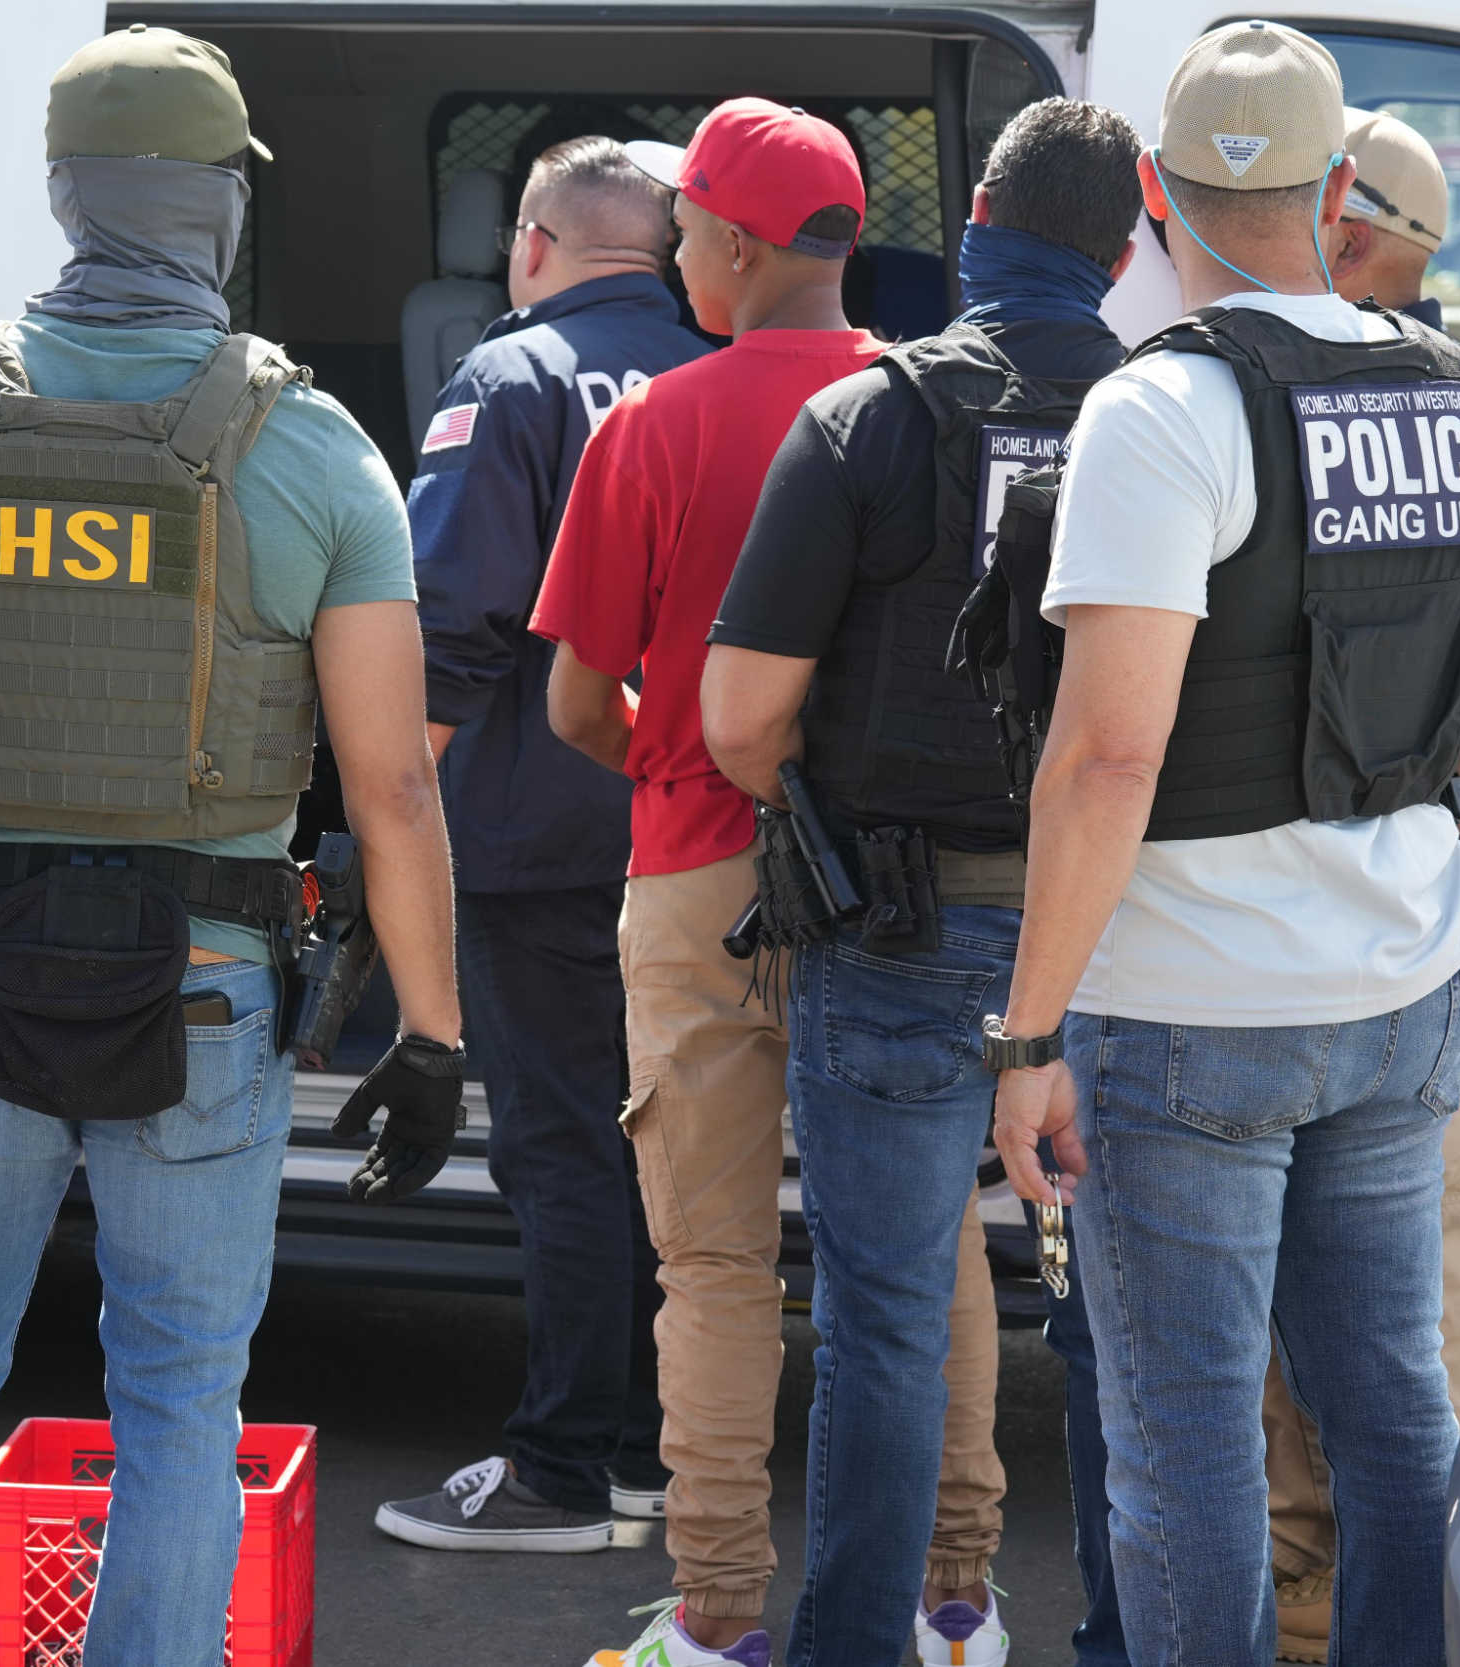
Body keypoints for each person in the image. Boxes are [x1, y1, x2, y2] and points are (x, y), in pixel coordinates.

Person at [0, 28, 465, 1665]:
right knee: (180, 1398)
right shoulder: (313, 450)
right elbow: (392, 788)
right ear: (221, 206)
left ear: (67, 197)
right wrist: (433, 1038)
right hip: (207, 988)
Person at [984, 21, 1460, 1667]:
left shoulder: (1162, 409)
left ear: (1155, 198)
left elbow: (1108, 755)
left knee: (1187, 1437)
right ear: (1340, 187)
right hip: (1400, 988)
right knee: (1393, 1410)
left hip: (1189, 1011)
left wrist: (1027, 1037)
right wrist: (1448, 917)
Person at [529, 98, 1005, 1667]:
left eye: (684, 231)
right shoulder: (924, 409)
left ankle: (721, 1615)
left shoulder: (652, 426)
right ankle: (955, 1602)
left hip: (699, 875)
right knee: (925, 1246)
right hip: (901, 891)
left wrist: (681, 760)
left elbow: (577, 705)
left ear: (733, 243)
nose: (677, 256)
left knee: (716, 1265)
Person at [699, 96, 1145, 1667]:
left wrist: (823, 813)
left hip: (895, 929)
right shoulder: (1177, 418)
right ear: (1124, 252)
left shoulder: (871, 420)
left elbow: (738, 719)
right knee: (1126, 1328)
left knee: (886, 1329)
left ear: (971, 233)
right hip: (1124, 944)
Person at [372, 135, 706, 1554]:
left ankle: (562, 1469)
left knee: (563, 1148)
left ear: (532, 245)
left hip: (539, 831)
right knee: (667, 1150)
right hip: (697, 836)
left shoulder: (506, 382)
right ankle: (648, 1455)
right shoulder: (721, 371)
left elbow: (450, 627)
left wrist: (386, 830)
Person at [1261, 101, 1460, 1664]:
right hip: (1453, 856)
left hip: (1354, 861)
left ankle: (1319, 1585)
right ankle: (1404, 1585)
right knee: (1423, 1239)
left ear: (1347, 228)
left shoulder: (1282, 389)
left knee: (1319, 1250)